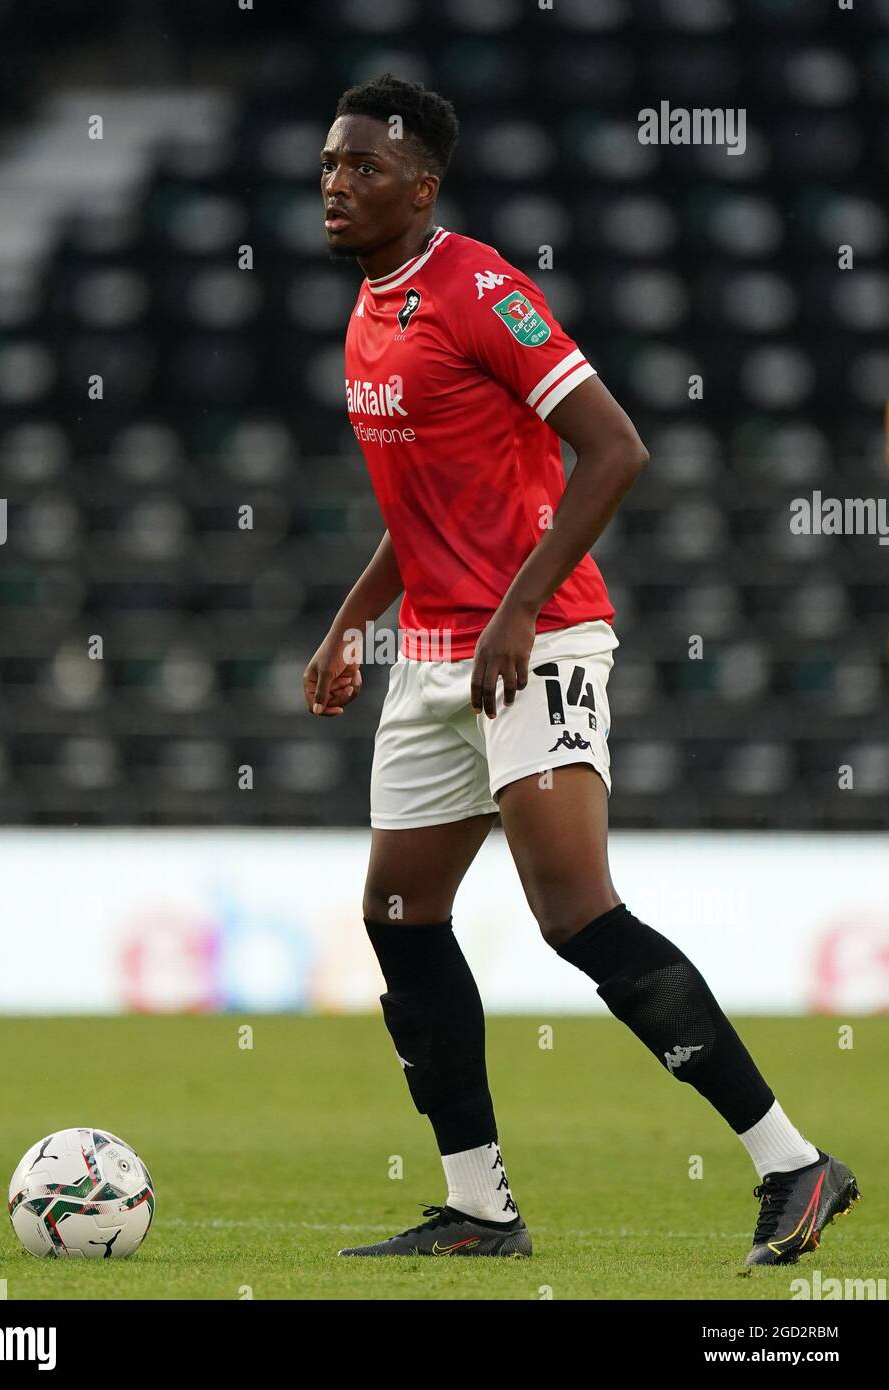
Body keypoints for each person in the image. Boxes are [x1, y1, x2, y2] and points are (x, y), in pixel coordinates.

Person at [303, 73, 858, 1263]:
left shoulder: (481, 288)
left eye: (361, 166)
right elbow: (425, 508)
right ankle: (478, 1208)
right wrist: (354, 620)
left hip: (537, 642)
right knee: (399, 913)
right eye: (329, 165)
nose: (335, 184)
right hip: (435, 655)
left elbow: (616, 448)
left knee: (573, 912)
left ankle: (793, 1162)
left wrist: (519, 608)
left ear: (423, 185)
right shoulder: (368, 311)